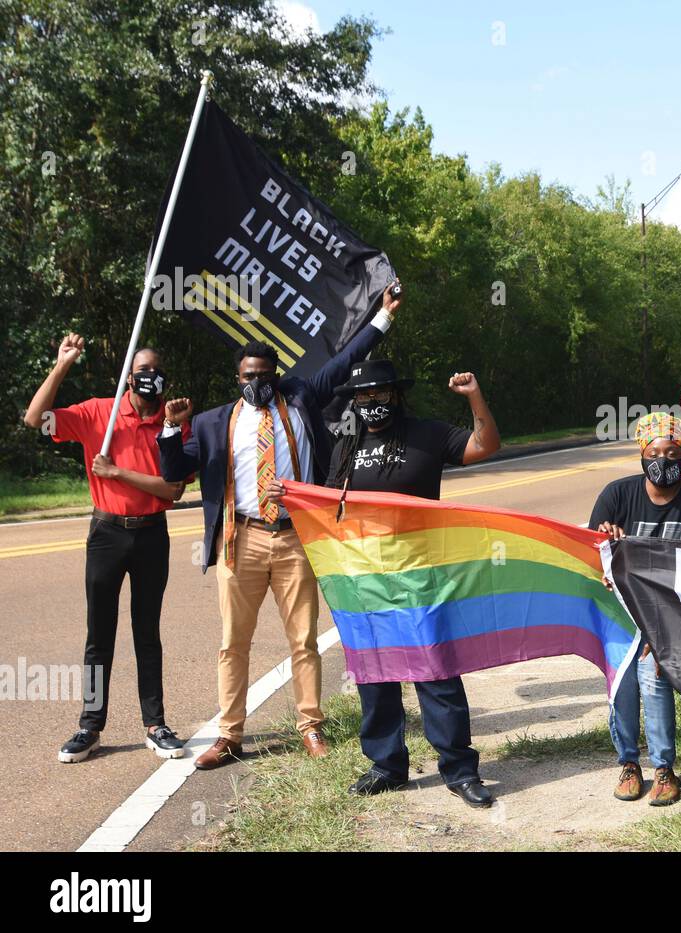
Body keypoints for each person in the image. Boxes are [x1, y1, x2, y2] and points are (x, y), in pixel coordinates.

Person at [158, 285, 401, 770]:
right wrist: (170, 428)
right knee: (233, 642)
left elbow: (346, 356)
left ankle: (310, 726)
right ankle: (229, 736)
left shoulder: (300, 398)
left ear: (276, 376)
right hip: (240, 539)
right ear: (238, 379)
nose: (258, 382)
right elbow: (172, 472)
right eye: (250, 375)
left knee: (303, 640)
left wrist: (384, 317)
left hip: (294, 537)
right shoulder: (212, 424)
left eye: (266, 374)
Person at [324, 360, 501, 807]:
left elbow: (486, 445)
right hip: (364, 579)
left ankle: (459, 769)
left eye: (379, 393)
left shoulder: (428, 434)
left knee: (436, 671)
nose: (370, 403)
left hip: (422, 575)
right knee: (374, 673)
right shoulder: (346, 446)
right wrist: (290, 497)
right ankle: (387, 765)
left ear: (397, 395)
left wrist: (474, 396)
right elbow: (331, 506)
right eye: (362, 396)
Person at [24, 335, 189, 763]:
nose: (148, 379)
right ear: (128, 379)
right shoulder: (101, 411)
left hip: (152, 532)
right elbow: (34, 419)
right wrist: (62, 365)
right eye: (140, 372)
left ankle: (155, 724)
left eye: (155, 371)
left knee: (146, 632)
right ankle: (90, 725)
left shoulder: (175, 420)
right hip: (107, 533)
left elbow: (172, 490)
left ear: (164, 378)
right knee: (99, 635)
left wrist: (116, 471)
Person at [590, 412, 681, 805]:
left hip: (668, 612)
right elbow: (590, 550)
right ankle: (629, 763)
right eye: (654, 452)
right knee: (623, 682)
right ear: (641, 456)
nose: (663, 460)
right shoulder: (618, 494)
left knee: (656, 676)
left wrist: (669, 630)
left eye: (672, 451)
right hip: (620, 610)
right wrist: (604, 537)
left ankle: (664, 767)